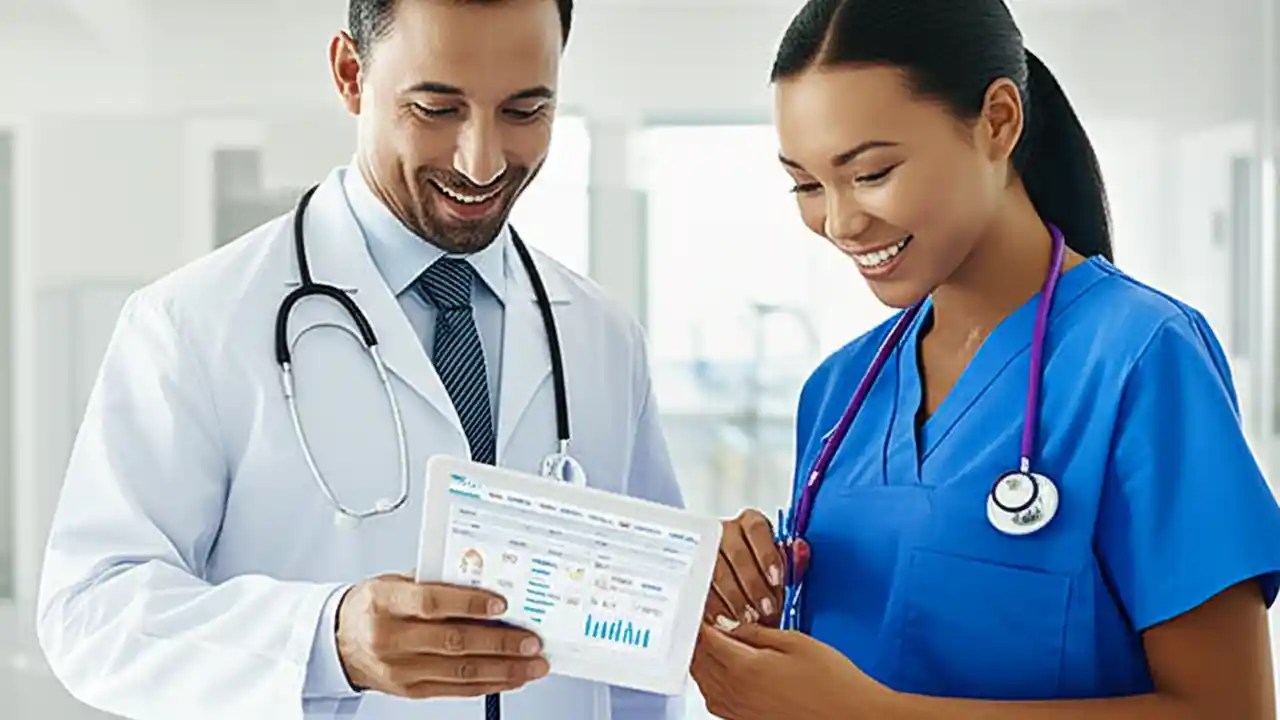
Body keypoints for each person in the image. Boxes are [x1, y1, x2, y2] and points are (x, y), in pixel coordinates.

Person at [35, 1, 684, 719]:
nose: (483, 160)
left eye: (524, 111)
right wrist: (327, 640)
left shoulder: (600, 335)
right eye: (437, 108)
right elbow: (90, 616)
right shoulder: (195, 322)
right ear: (350, 73)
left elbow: (642, 652)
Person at [691, 0, 1280, 718]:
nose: (840, 222)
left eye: (872, 172)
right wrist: (744, 589)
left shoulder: (1142, 360)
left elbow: (1229, 710)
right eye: (808, 185)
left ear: (998, 122)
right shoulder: (839, 392)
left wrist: (867, 714)